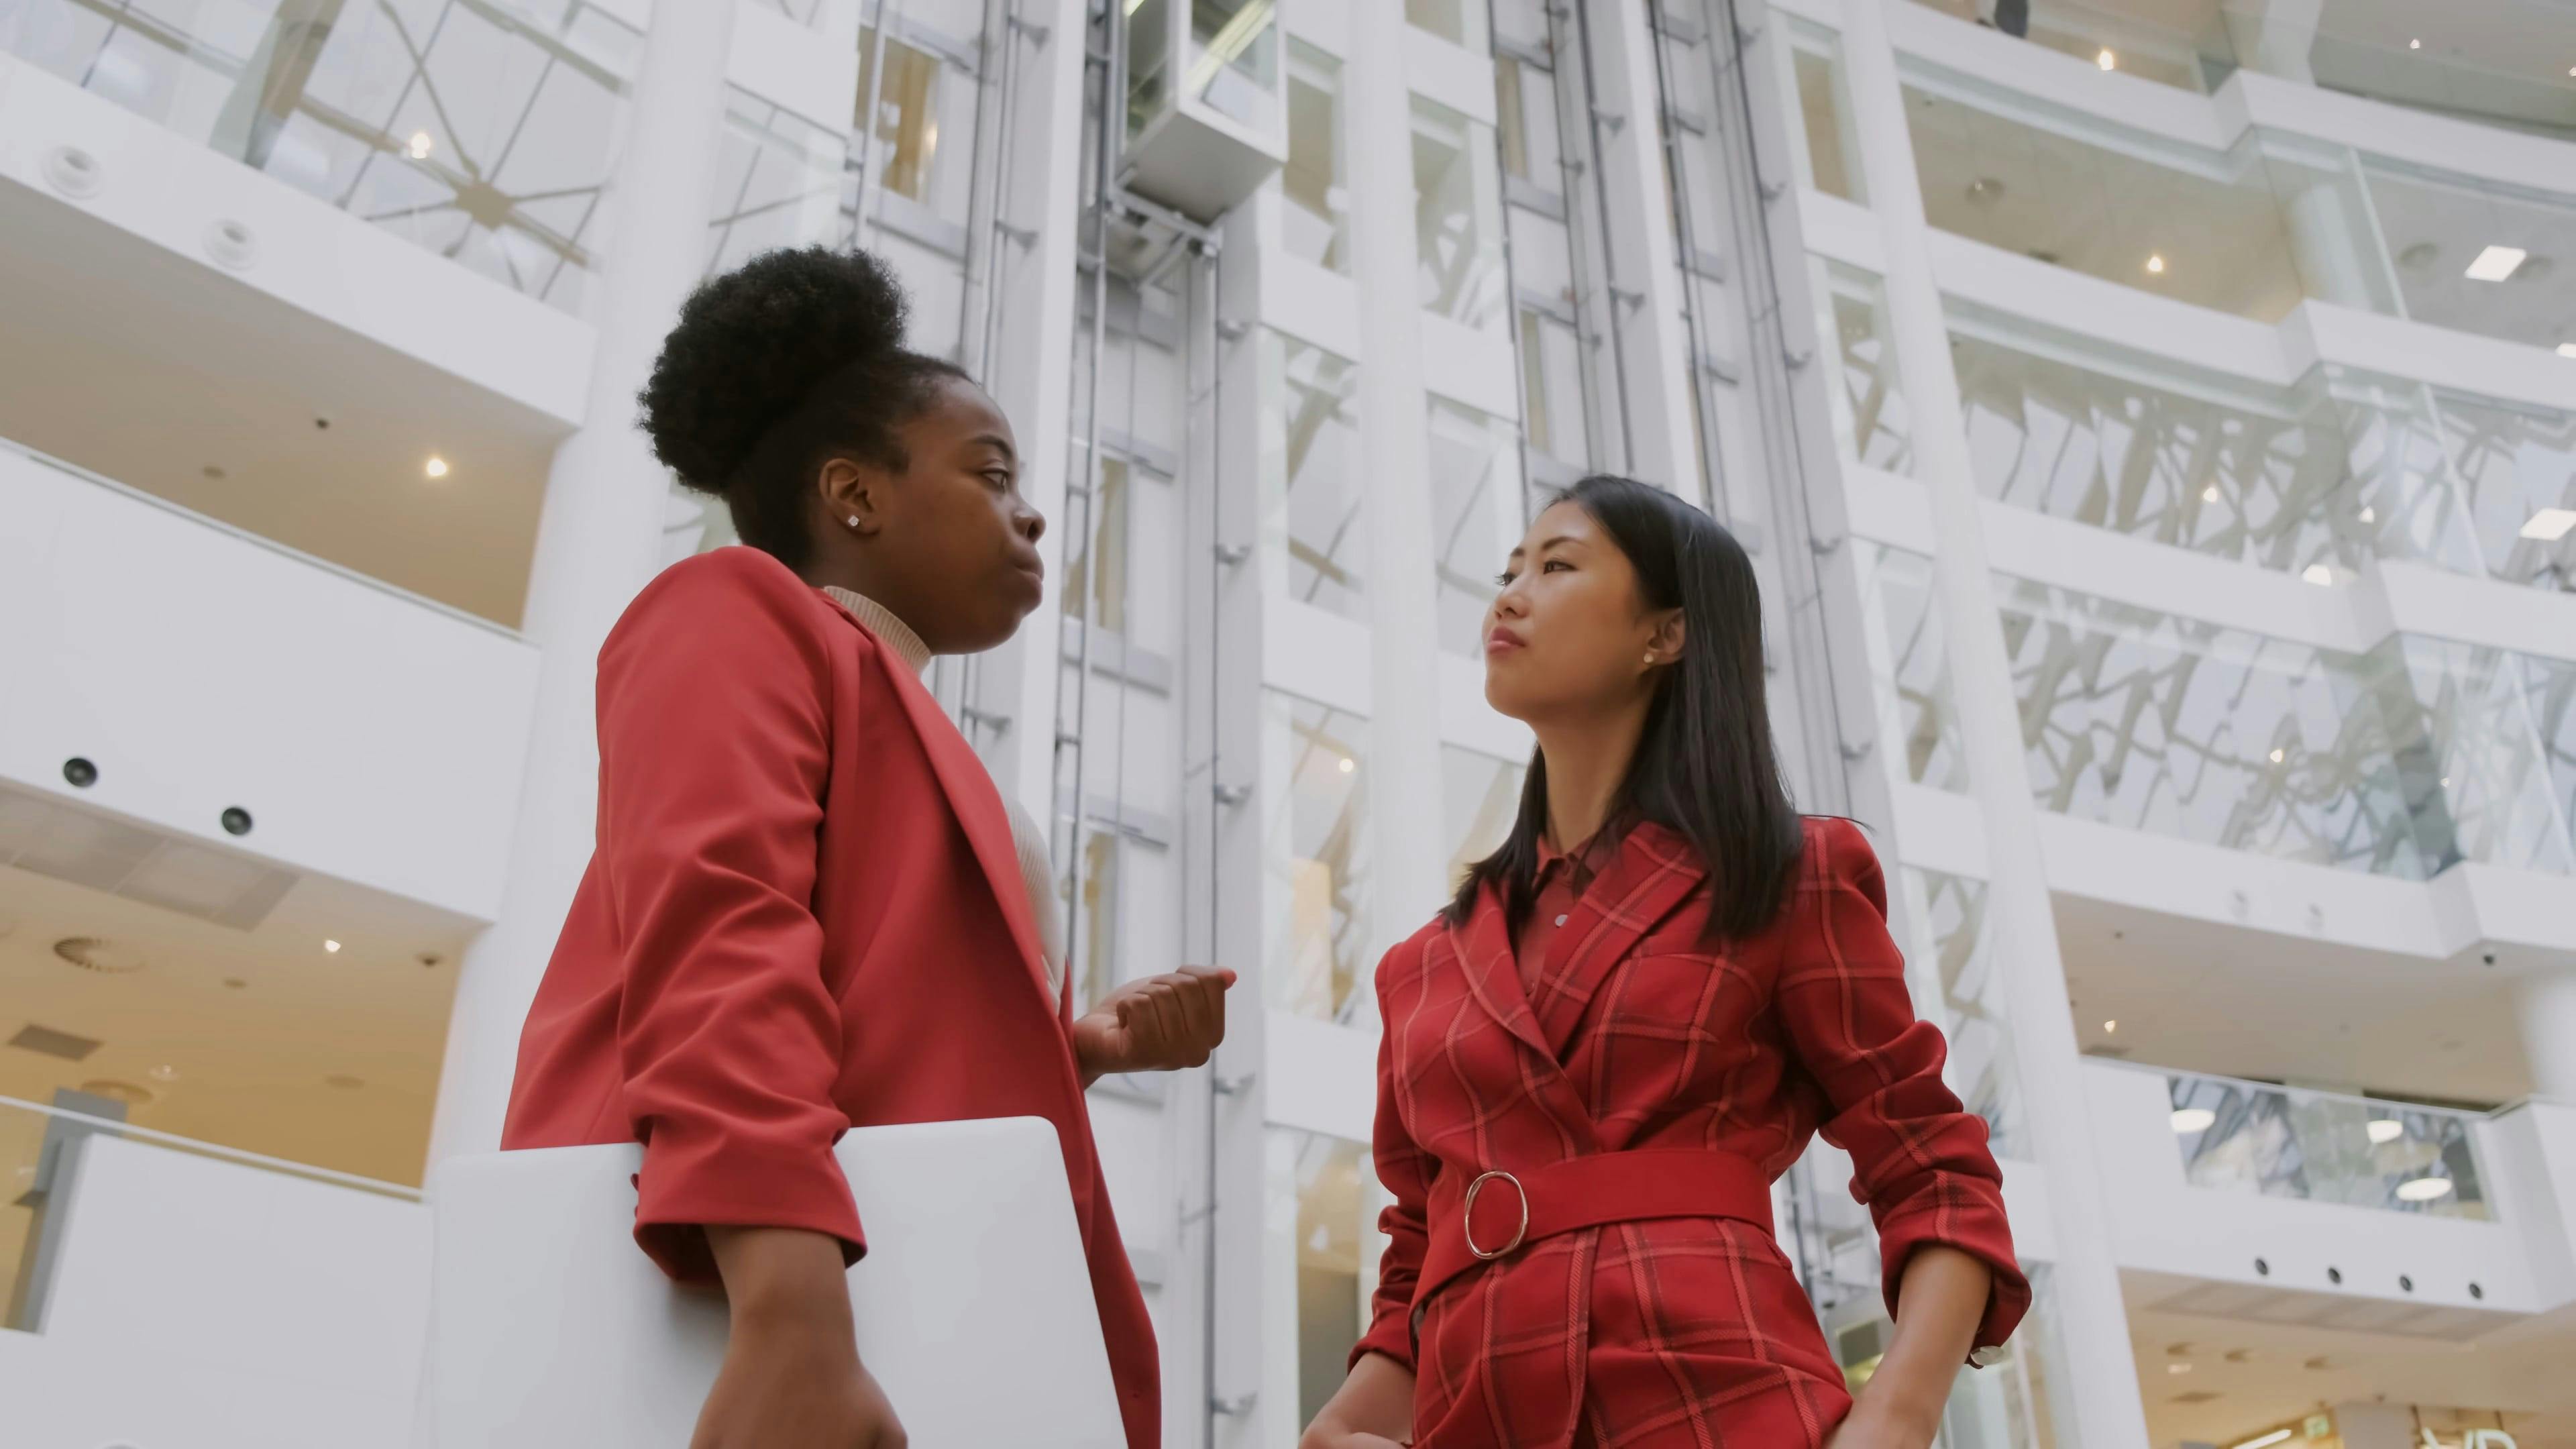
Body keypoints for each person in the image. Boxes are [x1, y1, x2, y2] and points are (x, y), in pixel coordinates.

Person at [499, 246, 1232, 1449]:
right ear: (854, 494)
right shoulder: (733, 608)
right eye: (991, 473)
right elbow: (718, 934)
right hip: (774, 1297)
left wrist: (1075, 1052)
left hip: (917, 1299)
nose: (1032, 511)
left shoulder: (911, 724)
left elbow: (879, 1024)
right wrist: (790, 1314)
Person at [1299, 476, 2026, 1449]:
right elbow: (1419, 1252)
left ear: (1667, 634)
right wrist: (1335, 1430)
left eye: (1557, 566)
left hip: (1722, 1409)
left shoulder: (1787, 876)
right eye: (1509, 572)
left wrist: (1893, 1423)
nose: (1510, 597)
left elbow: (1933, 1168)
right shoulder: (1420, 967)